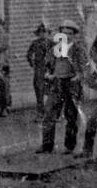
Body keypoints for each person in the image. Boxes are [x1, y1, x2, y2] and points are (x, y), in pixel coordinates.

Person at [37, 19, 88, 154]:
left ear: (74, 35)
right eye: (64, 33)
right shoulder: (56, 49)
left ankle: (69, 146)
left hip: (71, 84)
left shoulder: (78, 49)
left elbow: (84, 68)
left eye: (70, 33)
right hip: (58, 84)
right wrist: (50, 74)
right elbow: (49, 64)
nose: (67, 36)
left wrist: (78, 77)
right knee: (49, 113)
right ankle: (47, 145)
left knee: (71, 115)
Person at [26, 24, 50, 121]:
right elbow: (29, 54)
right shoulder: (35, 44)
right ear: (38, 34)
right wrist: (33, 64)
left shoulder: (52, 44)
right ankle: (40, 114)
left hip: (50, 70)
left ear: (48, 33)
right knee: (39, 92)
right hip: (39, 69)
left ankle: (54, 113)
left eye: (45, 32)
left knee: (53, 92)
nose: (43, 34)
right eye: (41, 32)